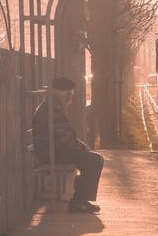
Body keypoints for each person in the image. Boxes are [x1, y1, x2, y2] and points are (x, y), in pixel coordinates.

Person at [32, 76, 104, 214]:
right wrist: (84, 148)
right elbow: (67, 140)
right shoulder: (54, 110)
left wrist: (83, 148)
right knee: (93, 160)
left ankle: (80, 196)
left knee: (94, 158)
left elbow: (65, 137)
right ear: (64, 94)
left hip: (52, 150)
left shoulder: (52, 106)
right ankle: (79, 201)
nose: (72, 98)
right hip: (51, 153)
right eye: (70, 94)